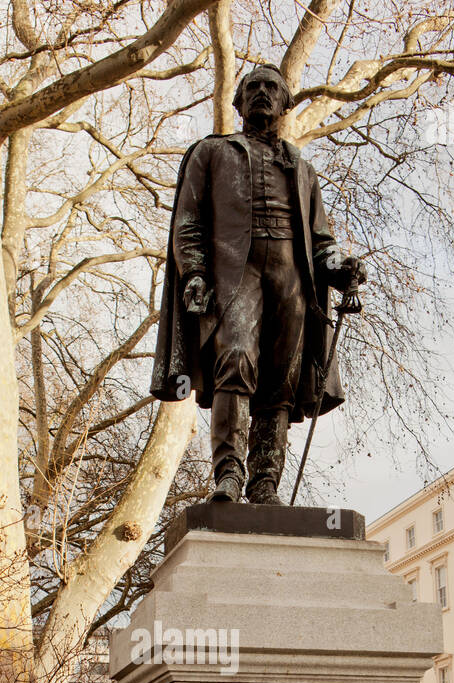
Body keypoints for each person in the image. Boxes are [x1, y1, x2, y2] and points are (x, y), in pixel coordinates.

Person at [151, 62, 366, 504]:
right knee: (234, 360)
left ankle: (265, 483)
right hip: (236, 273)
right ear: (239, 101)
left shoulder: (302, 169)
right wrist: (193, 271)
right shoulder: (211, 153)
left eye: (272, 87)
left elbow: (321, 241)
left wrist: (340, 265)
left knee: (281, 379)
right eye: (253, 87)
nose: (263, 93)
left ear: (286, 102)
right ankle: (228, 474)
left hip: (291, 279)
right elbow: (188, 222)